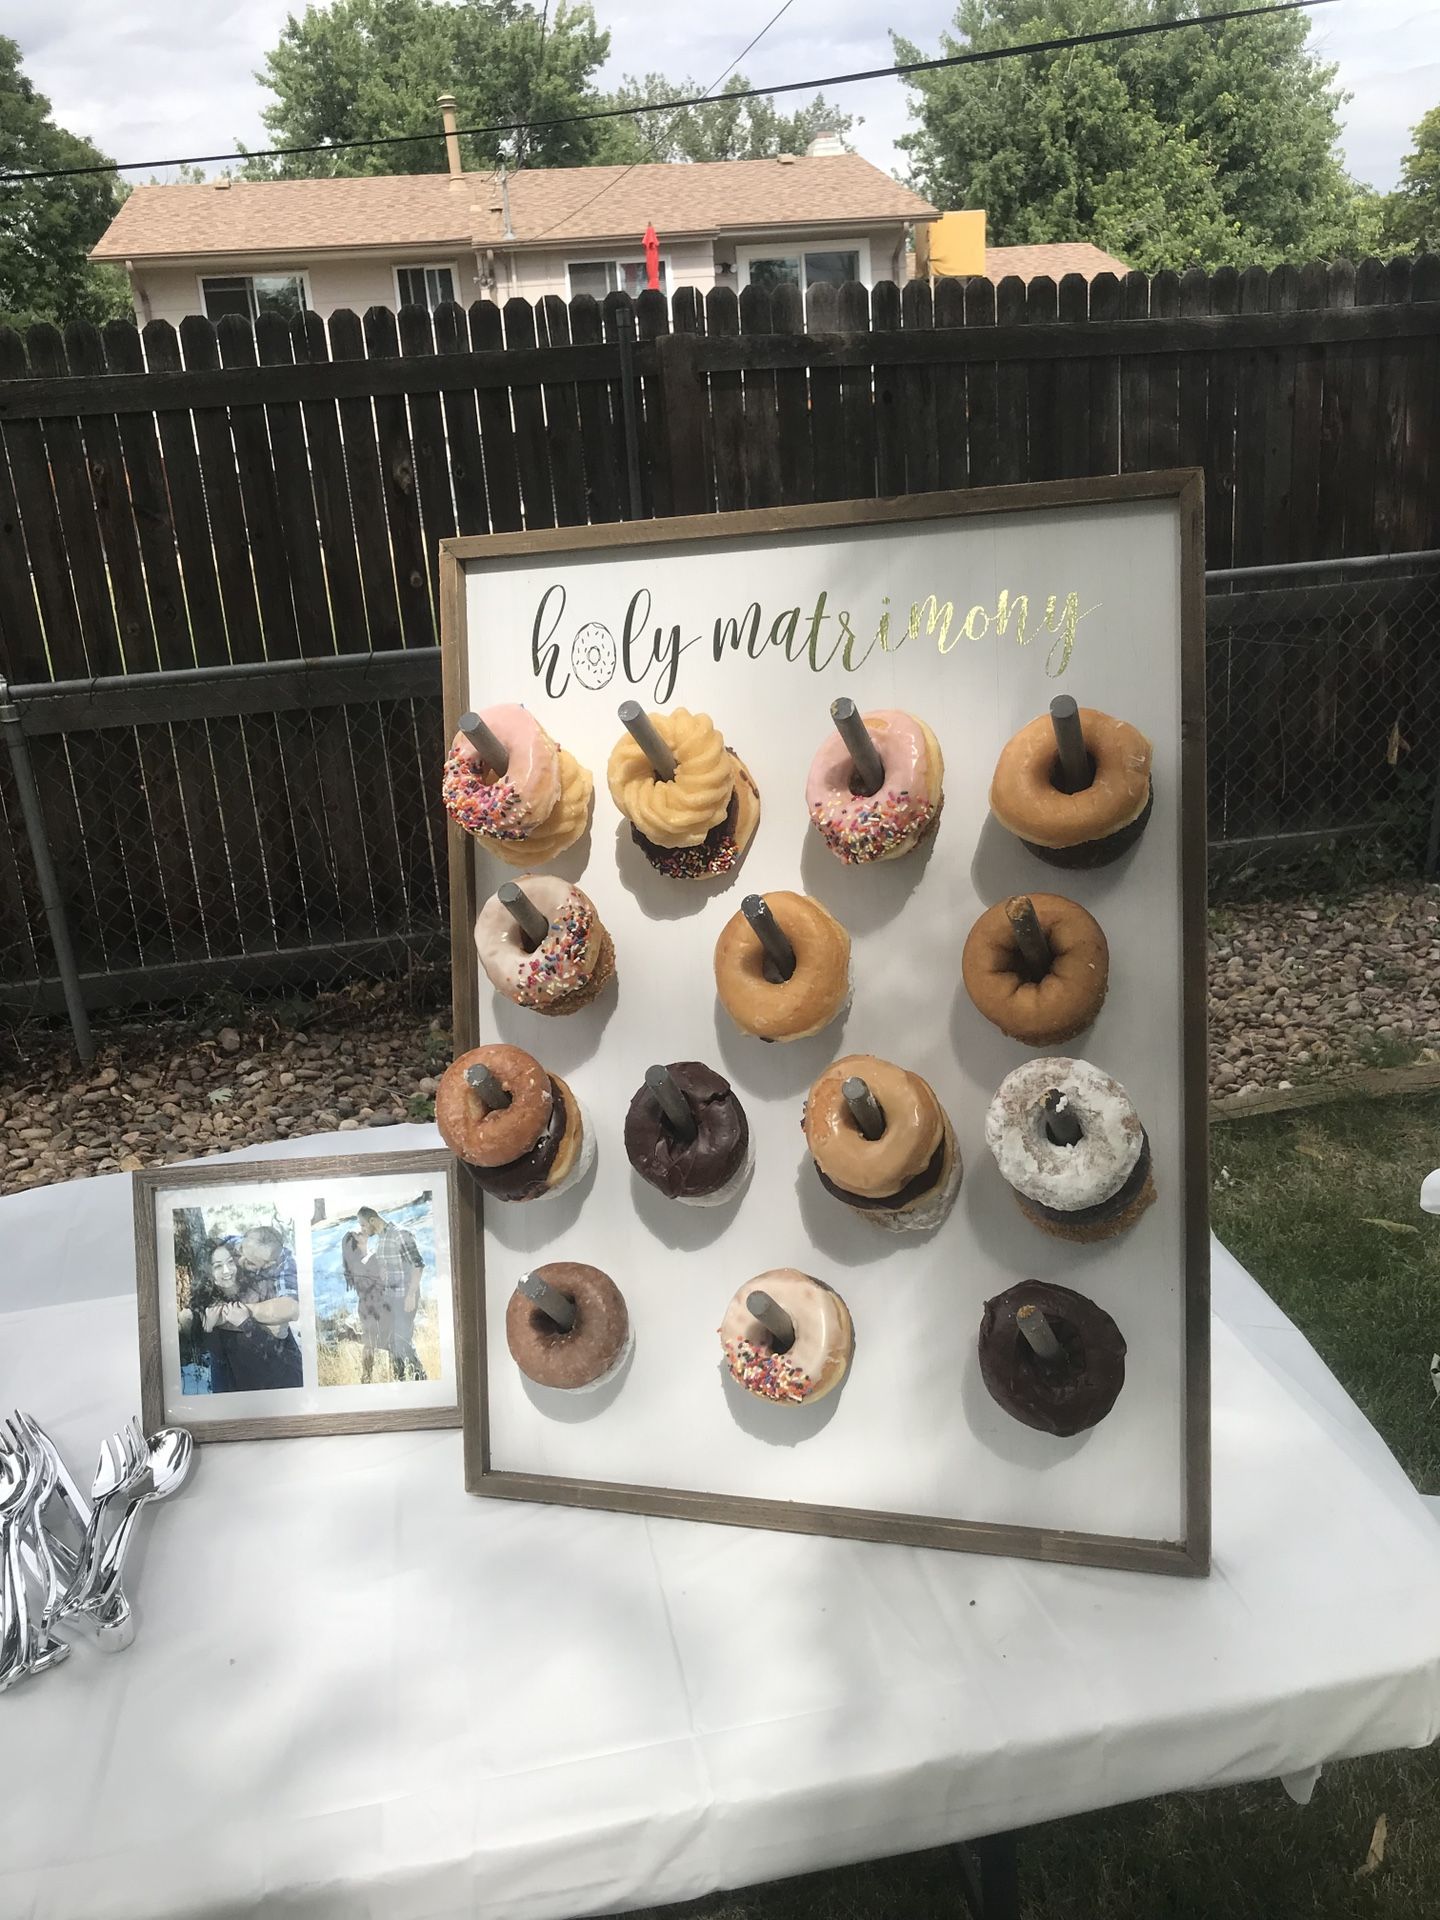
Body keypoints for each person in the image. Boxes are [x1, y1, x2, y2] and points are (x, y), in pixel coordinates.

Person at [200, 1223, 303, 1393]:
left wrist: (240, 1316)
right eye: (240, 1252)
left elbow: (290, 1309)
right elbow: (203, 1315)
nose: (239, 1261)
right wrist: (219, 1322)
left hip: (272, 1370)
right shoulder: (226, 1247)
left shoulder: (280, 1260)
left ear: (269, 1264)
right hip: (233, 1364)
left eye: (251, 1263)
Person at [356, 1205, 427, 1381]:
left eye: (363, 1225)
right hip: (390, 1300)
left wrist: (411, 1295)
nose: (362, 1229)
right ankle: (399, 1382)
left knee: (401, 1342)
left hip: (405, 1298)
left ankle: (422, 1379)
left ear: (372, 1220)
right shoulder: (380, 1241)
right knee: (392, 1344)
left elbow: (417, 1265)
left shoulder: (399, 1235)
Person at [341, 1224, 393, 1384]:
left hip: (368, 1307)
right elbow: (383, 1280)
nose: (361, 1231)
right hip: (375, 1308)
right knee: (389, 1341)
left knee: (372, 1343)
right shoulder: (364, 1261)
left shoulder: (363, 1260)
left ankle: (367, 1376)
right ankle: (393, 1375)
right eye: (357, 1233)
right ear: (355, 1242)